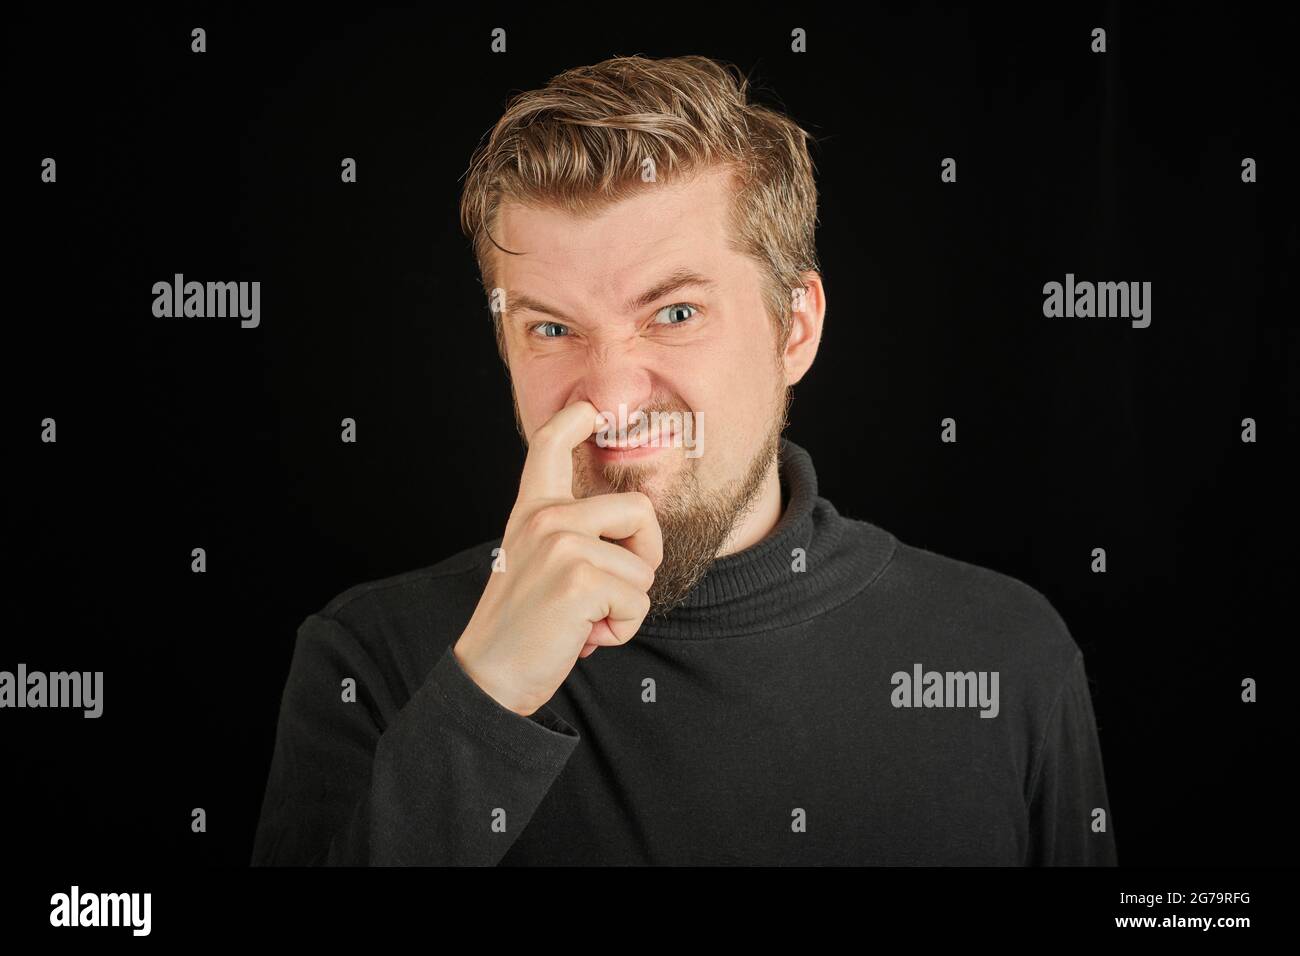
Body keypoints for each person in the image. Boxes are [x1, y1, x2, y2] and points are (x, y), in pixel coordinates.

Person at [251, 54, 1117, 866]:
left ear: (796, 327)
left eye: (674, 315)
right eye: (553, 329)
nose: (614, 396)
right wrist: (484, 699)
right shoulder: (370, 660)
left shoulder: (1006, 654)